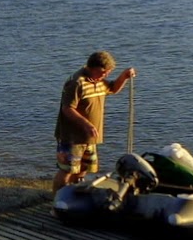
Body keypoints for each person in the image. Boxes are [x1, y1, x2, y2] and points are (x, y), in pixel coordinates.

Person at [53, 50, 136, 191]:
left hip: (89, 137)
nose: (105, 75)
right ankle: (57, 198)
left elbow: (112, 89)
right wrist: (86, 124)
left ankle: (73, 194)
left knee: (83, 168)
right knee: (67, 170)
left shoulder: (99, 81)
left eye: (108, 72)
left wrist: (124, 76)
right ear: (91, 68)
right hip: (72, 137)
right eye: (103, 72)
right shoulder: (77, 82)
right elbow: (67, 109)